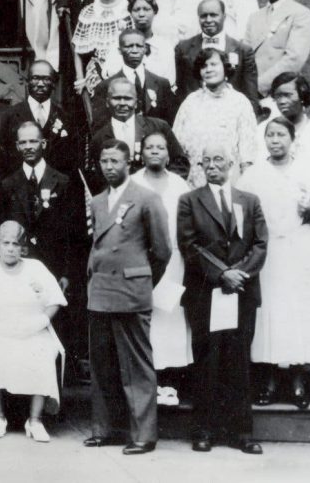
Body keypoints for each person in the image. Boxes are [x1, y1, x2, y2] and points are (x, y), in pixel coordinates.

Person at [177, 140, 268, 454]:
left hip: (242, 292)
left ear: (231, 164)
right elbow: (190, 246)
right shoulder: (190, 201)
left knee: (239, 361)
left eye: (218, 160)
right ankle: (204, 431)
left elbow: (260, 244)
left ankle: (241, 433)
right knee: (208, 361)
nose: (212, 165)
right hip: (206, 291)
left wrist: (240, 273)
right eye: (206, 161)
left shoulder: (250, 201)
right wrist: (221, 274)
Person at [238, 116, 310, 407]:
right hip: (268, 254)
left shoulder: (308, 171)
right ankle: (267, 379)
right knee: (270, 311)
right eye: (271, 135)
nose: (276, 140)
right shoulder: (253, 175)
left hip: (301, 251)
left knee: (299, 313)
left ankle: (296, 381)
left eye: (281, 135)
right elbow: (240, 209)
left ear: (292, 139)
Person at [84, 139, 171, 455]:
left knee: (136, 366)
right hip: (100, 294)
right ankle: (106, 429)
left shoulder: (146, 199)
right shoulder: (96, 202)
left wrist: (141, 279)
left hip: (131, 293)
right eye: (104, 161)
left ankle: (144, 434)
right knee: (103, 365)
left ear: (128, 163)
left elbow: (162, 251)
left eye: (115, 161)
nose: (109, 167)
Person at [0, 120, 91, 373]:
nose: (29, 147)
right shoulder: (7, 185)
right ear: (17, 146)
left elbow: (77, 234)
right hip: (19, 268)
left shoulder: (64, 182)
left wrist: (67, 273)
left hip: (54, 267)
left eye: (33, 141)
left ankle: (55, 390)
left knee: (55, 328)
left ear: (44, 143)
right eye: (23, 142)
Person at [0, 220, 67, 443]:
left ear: (22, 247)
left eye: (15, 243)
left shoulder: (36, 268)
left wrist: (40, 321)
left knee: (42, 351)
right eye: (5, 243)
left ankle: (35, 420)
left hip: (33, 329)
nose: (11, 248)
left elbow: (54, 300)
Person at [129, 130, 193, 407]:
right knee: (146, 318)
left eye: (160, 148)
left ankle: (171, 382)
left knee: (171, 317)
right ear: (141, 153)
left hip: (174, 261)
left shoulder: (180, 185)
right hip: (141, 259)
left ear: (168, 154)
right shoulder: (132, 182)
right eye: (149, 147)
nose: (155, 152)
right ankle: (147, 381)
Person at [257, 72, 310, 221]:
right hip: (271, 213)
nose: (282, 101)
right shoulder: (263, 131)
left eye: (288, 95)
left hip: (309, 215)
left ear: (303, 97)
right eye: (278, 96)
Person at [173, 47, 259, 187]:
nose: (208, 69)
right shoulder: (191, 102)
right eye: (204, 66)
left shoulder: (239, 102)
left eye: (214, 64)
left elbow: (248, 148)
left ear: (225, 68)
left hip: (230, 181)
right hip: (194, 181)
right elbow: (176, 144)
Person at [87, 77, 187, 190]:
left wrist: (162, 187)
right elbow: (97, 179)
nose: (122, 103)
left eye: (128, 98)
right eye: (116, 98)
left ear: (136, 103)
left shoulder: (159, 127)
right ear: (107, 102)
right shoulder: (99, 138)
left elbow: (180, 164)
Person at [243, 0, 310, 97]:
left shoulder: (301, 14)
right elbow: (244, 54)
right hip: (251, 92)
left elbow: (294, 59)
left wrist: (259, 86)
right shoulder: (254, 18)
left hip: (281, 90)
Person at [174, 0, 260, 105]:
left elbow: (251, 95)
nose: (208, 20)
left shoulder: (243, 51)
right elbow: (180, 91)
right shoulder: (183, 48)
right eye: (203, 16)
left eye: (213, 15)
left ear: (224, 17)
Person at [2, 59, 77, 176]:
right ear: (28, 82)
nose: (40, 84)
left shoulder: (65, 116)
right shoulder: (10, 115)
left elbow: (72, 160)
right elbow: (0, 158)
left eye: (46, 79)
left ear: (53, 83)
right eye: (36, 78)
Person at [72, 0, 130, 101]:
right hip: (96, 74)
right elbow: (77, 50)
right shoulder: (89, 11)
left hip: (124, 71)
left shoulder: (128, 7)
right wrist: (80, 78)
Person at [93, 29, 177, 125]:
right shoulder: (105, 87)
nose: (134, 50)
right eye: (129, 46)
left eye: (139, 46)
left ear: (145, 49)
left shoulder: (162, 84)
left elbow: (170, 124)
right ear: (119, 50)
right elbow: (100, 128)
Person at [102, 0, 176, 86]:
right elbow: (109, 73)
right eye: (136, 10)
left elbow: (169, 79)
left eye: (146, 9)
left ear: (155, 12)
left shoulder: (164, 46)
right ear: (131, 13)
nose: (141, 14)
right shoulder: (119, 42)